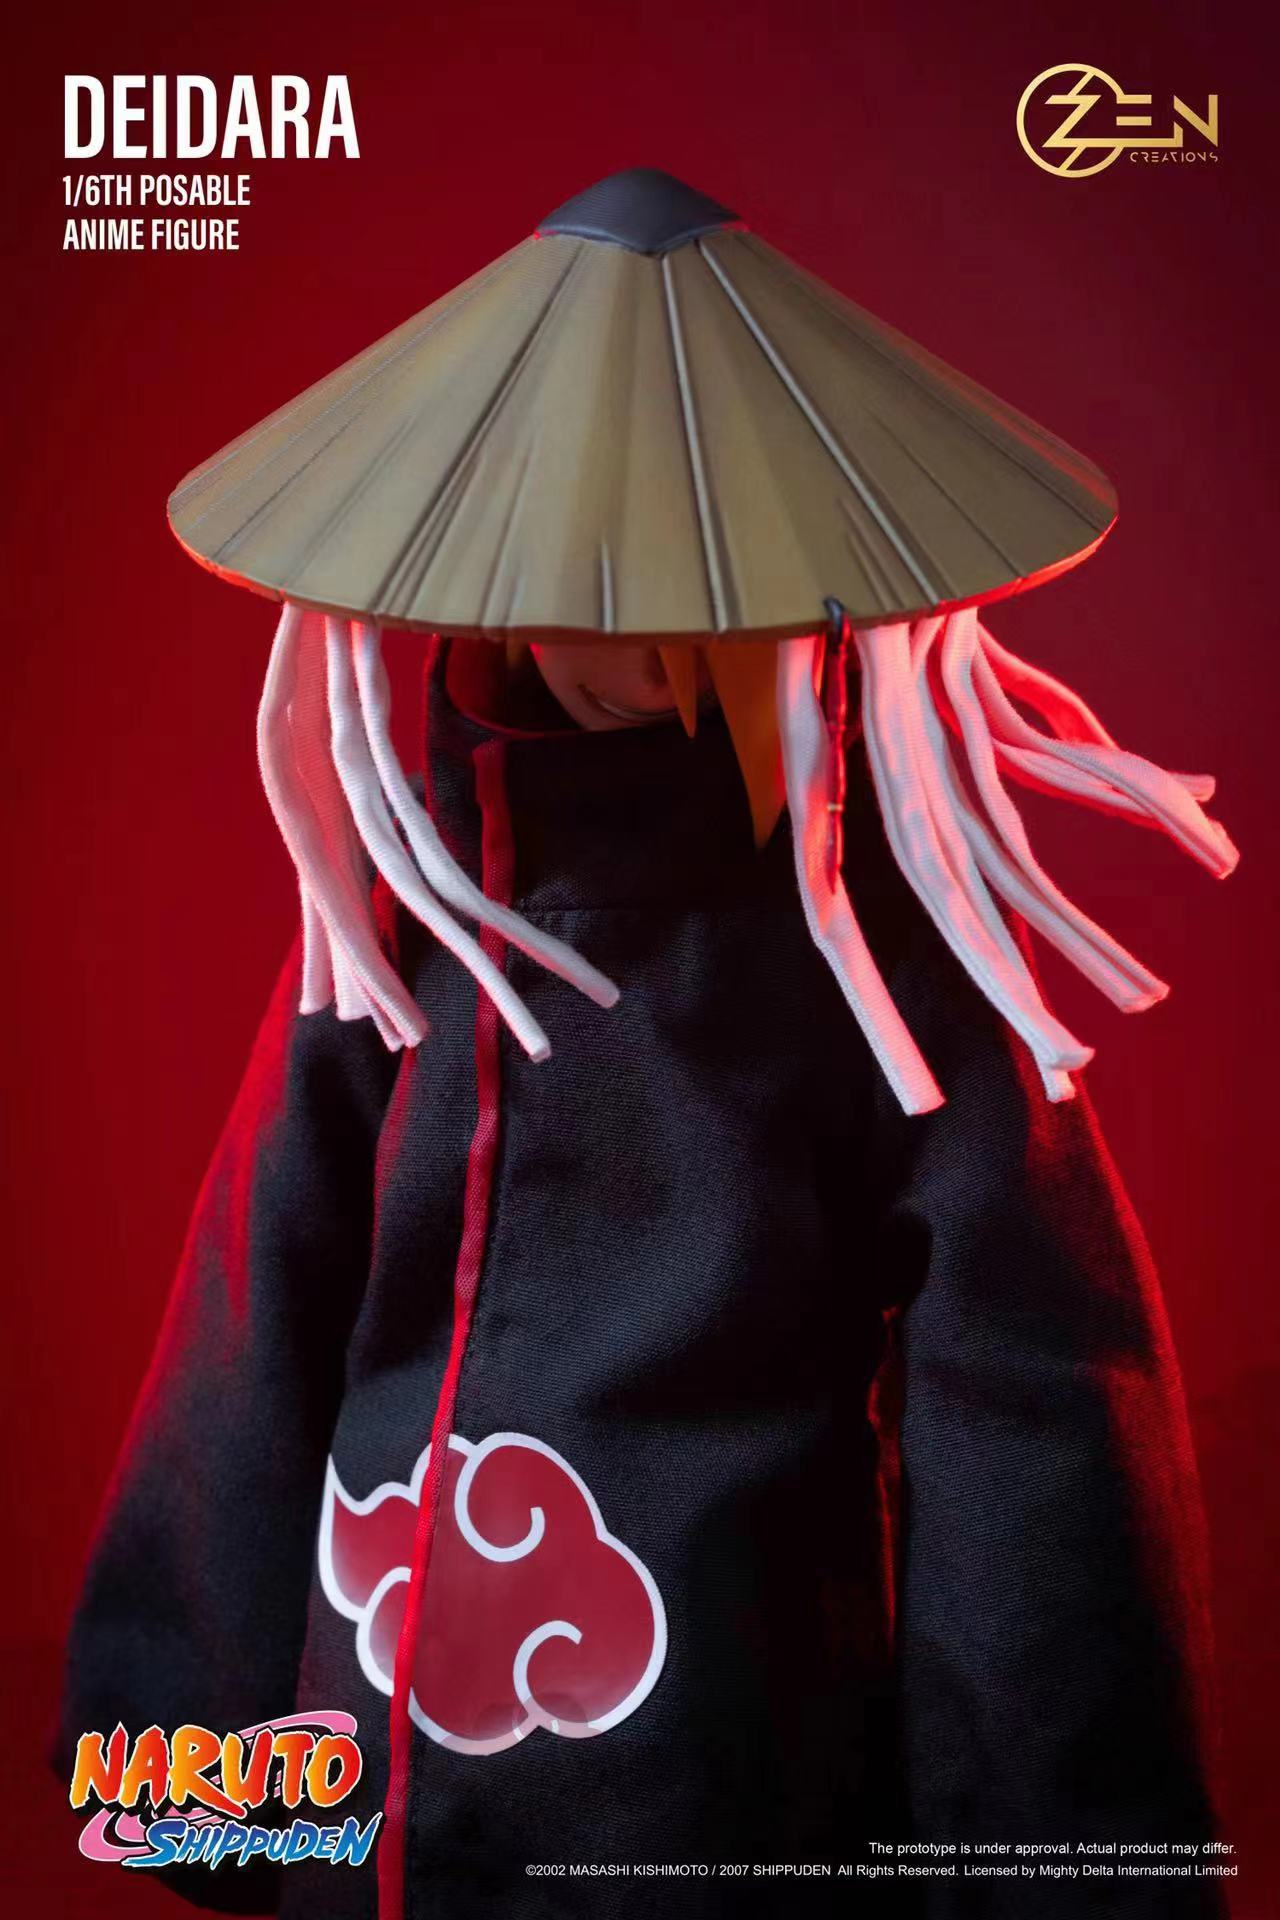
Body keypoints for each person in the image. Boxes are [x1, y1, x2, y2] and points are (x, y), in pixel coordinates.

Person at [57, 168, 1235, 1916]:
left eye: (685, 580)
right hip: (382, 1761)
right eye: (582, 572)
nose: (633, 635)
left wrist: (1061, 1856)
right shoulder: (407, 906)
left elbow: (1031, 1409)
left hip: (731, 1754)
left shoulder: (882, 955)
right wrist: (199, 1754)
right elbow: (260, 1310)